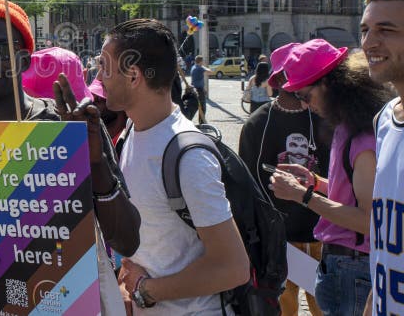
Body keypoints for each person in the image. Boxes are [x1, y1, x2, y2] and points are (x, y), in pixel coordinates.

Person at [0, 0, 139, 315]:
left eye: (0, 48)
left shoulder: (69, 125)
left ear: (23, 59)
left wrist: (95, 163)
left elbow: (127, 241)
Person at [96, 19, 248, 314]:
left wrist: (145, 290)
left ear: (133, 76)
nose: (99, 76)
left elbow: (233, 267)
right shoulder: (131, 131)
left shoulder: (188, 156)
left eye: (104, 65)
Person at [268, 39, 393, 316]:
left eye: (305, 95)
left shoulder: (362, 138)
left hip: (353, 267)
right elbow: (352, 194)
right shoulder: (347, 126)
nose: (304, 104)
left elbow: (367, 220)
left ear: (329, 85)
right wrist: (315, 182)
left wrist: (303, 196)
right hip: (344, 264)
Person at [238, 42, 329, 316]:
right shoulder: (256, 124)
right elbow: (247, 186)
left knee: (324, 308)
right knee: (283, 309)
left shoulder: (324, 118)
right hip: (278, 241)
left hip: (323, 235)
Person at [360, 0, 404, 316]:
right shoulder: (385, 120)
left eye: (385, 30)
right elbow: (382, 256)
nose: (369, 43)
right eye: (365, 30)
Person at [89, 78, 127, 143]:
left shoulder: (124, 140)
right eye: (91, 96)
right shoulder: (92, 138)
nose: (92, 102)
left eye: (98, 99)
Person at [190, 55, 212, 123]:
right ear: (201, 61)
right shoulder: (200, 68)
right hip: (199, 90)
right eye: (202, 61)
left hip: (193, 89)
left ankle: (190, 119)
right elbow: (210, 72)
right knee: (202, 107)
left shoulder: (193, 67)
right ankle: (201, 122)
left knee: (194, 106)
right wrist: (203, 67)